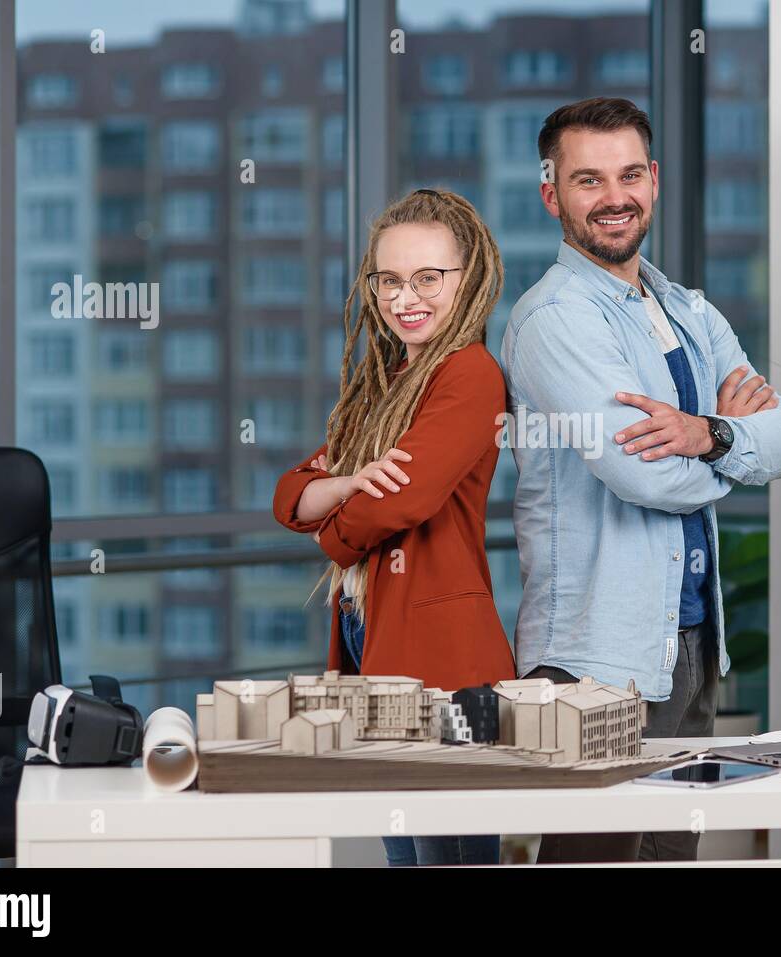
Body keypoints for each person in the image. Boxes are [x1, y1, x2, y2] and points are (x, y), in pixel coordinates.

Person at [500, 98, 781, 863]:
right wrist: (735, 448)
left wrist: (707, 433)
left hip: (690, 640)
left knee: (671, 853)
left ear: (655, 179)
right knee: (593, 862)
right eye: (588, 179)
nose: (615, 197)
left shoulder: (687, 309)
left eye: (629, 173)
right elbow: (644, 476)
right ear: (551, 195)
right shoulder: (553, 320)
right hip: (594, 657)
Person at [272, 188, 514, 867]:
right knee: (405, 852)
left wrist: (332, 527)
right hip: (371, 632)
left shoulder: (469, 373)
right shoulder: (384, 386)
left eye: (428, 278)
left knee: (449, 855)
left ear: (468, 280)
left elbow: (400, 501)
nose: (406, 297)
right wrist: (349, 481)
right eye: (390, 280)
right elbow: (289, 492)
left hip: (448, 658)